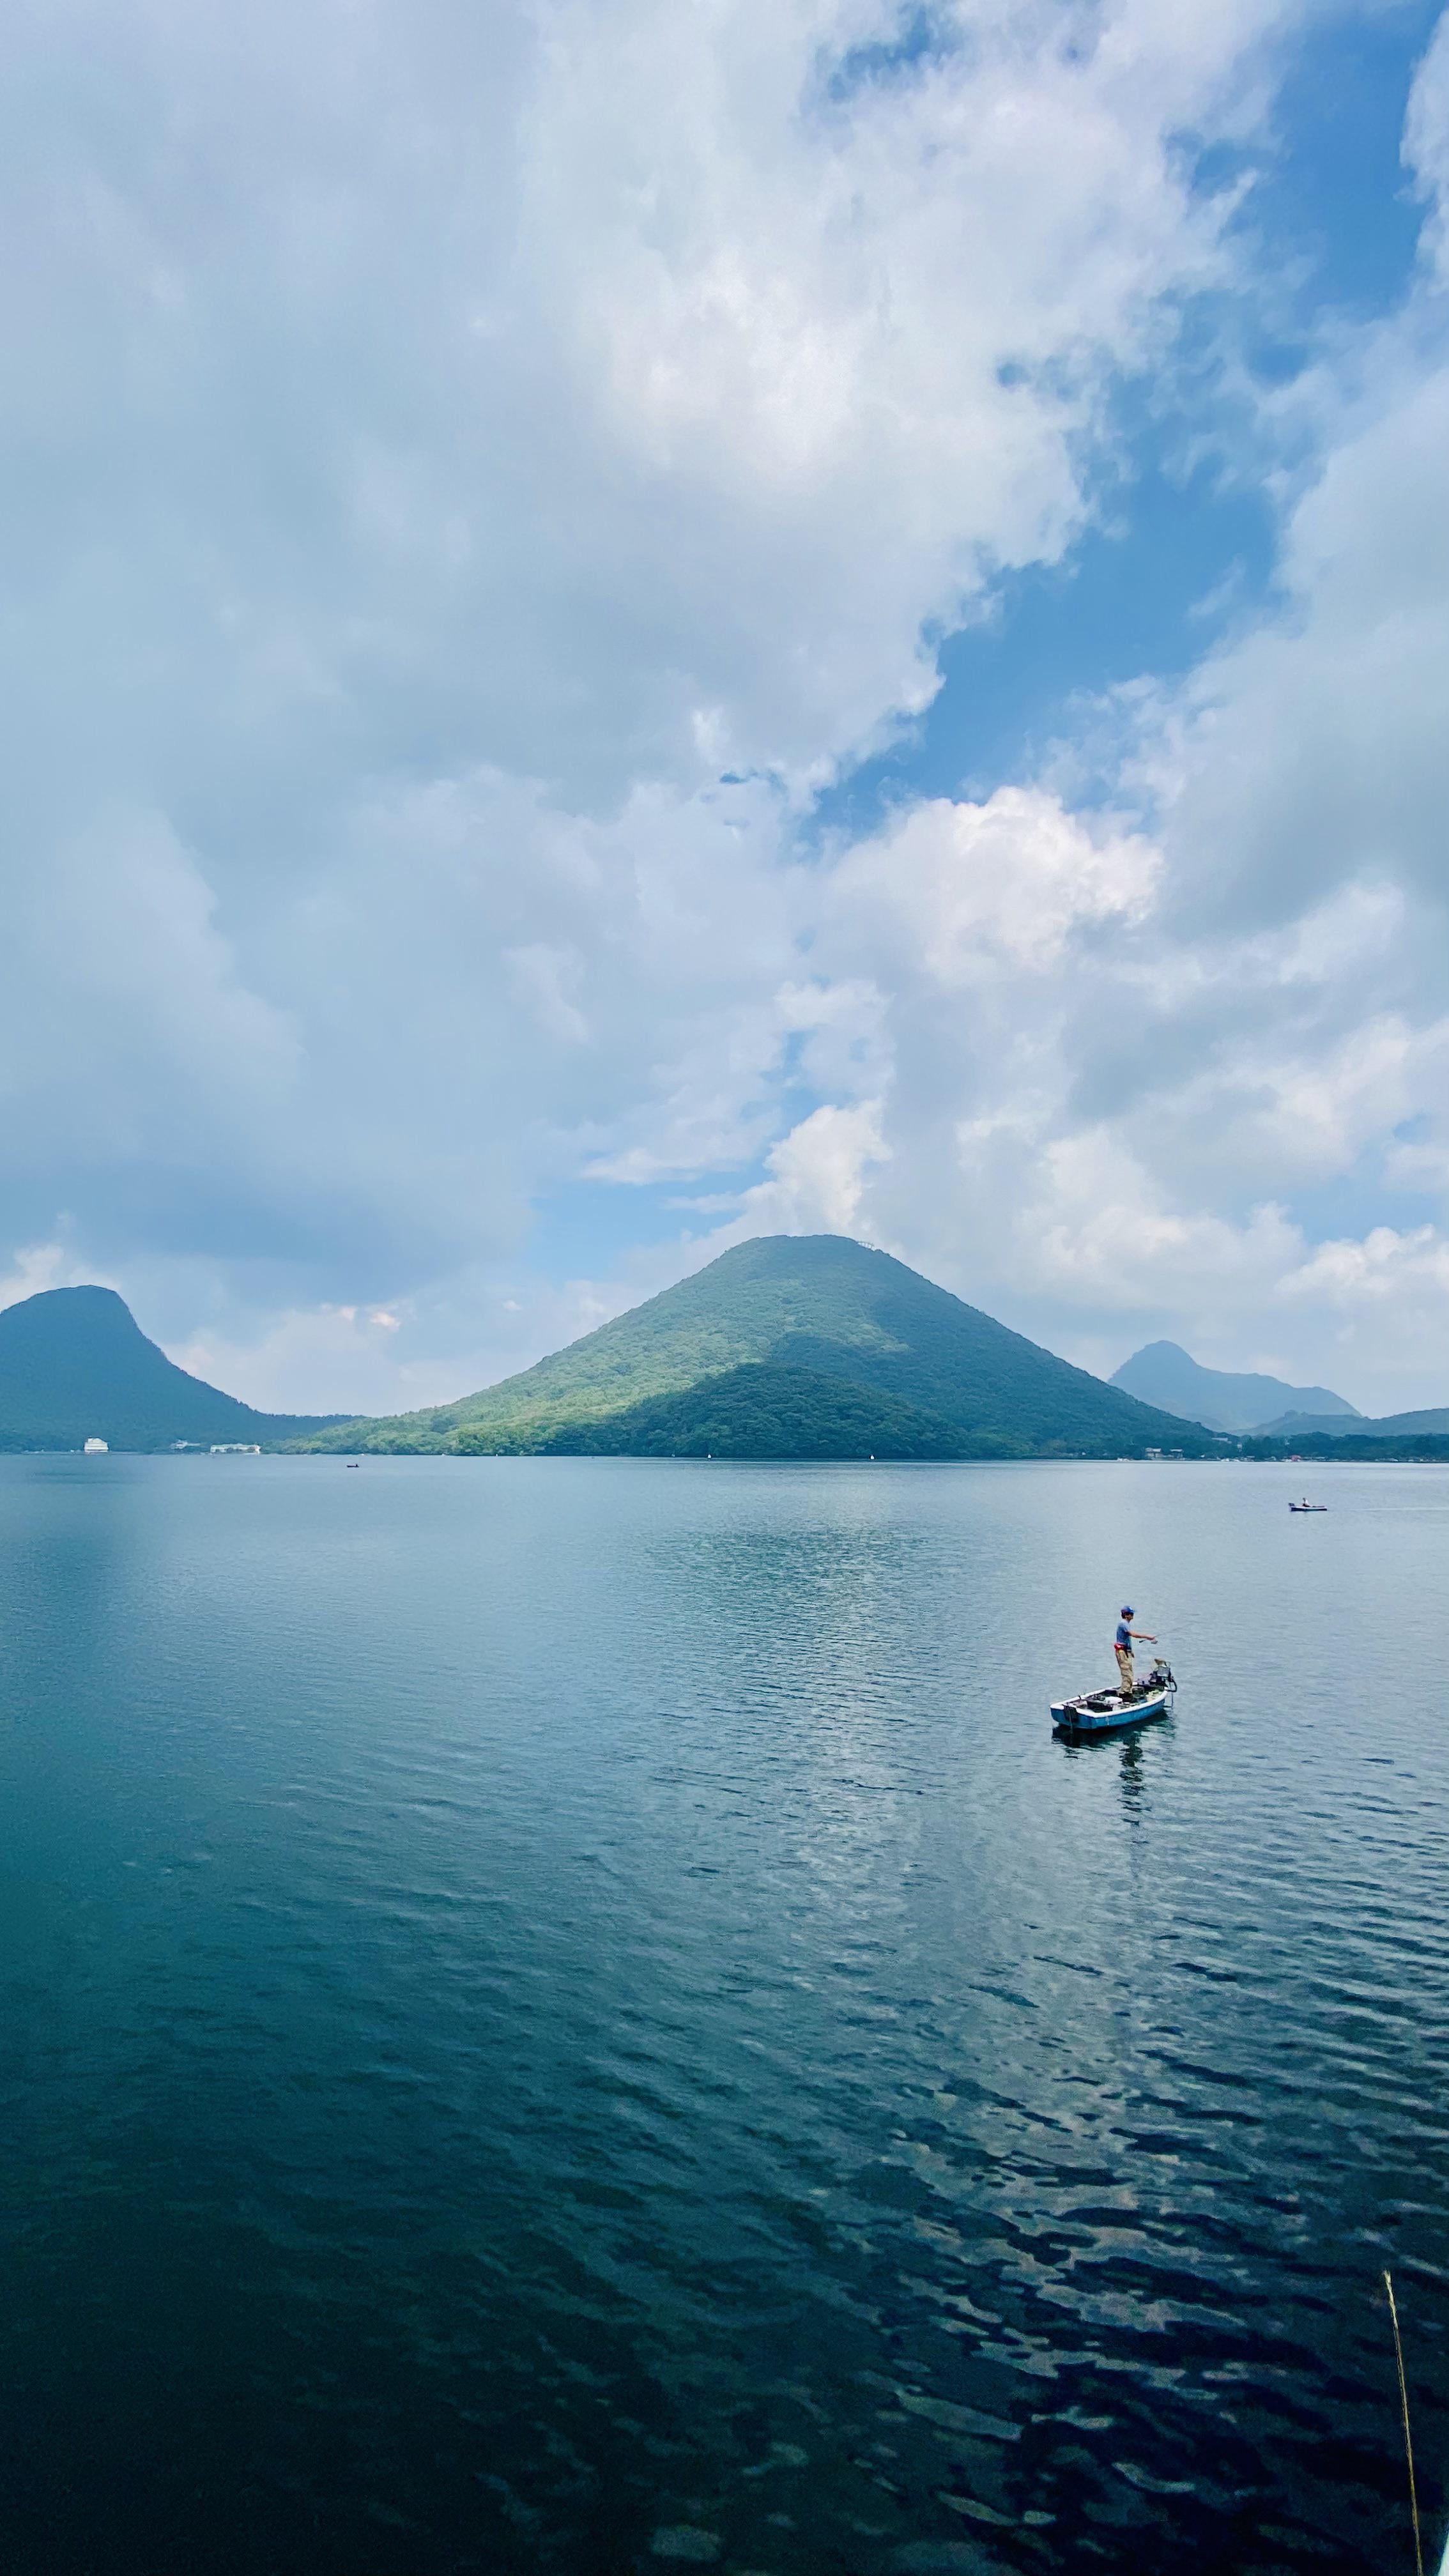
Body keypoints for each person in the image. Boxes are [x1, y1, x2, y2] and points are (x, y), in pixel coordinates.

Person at [1115, 1607, 1156, 1695]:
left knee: (1130, 1673)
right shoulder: (1123, 1623)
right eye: (1131, 1614)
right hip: (1123, 1652)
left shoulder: (1126, 1624)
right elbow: (1132, 1634)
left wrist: (1131, 1651)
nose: (1133, 1616)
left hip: (1126, 1652)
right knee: (1127, 1675)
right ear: (1126, 1615)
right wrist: (1147, 1637)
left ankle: (1127, 1691)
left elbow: (1126, 1639)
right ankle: (1124, 1694)